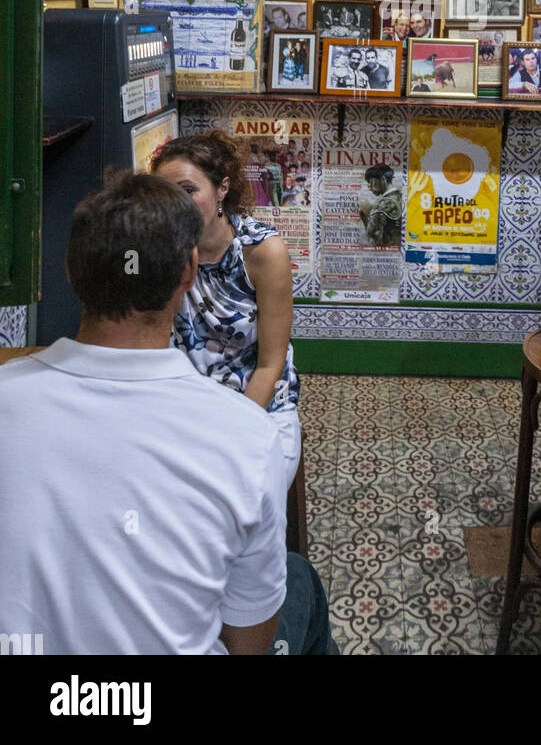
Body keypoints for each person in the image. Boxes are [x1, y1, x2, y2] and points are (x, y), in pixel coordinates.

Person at [0, 171, 332, 655]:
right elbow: (248, 643)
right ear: (188, 272)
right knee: (299, 578)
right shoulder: (244, 435)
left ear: (71, 271)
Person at [152, 131, 301, 491]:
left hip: (256, 407)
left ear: (222, 189)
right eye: (165, 196)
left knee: (243, 499)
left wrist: (234, 433)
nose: (177, 206)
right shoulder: (155, 248)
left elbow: (270, 365)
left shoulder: (263, 252)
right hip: (182, 411)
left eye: (188, 191)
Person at [359, 164, 402, 246]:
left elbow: (372, 237)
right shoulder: (401, 196)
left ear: (383, 179)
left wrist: (364, 220)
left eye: (371, 182)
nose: (369, 186)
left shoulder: (381, 204)